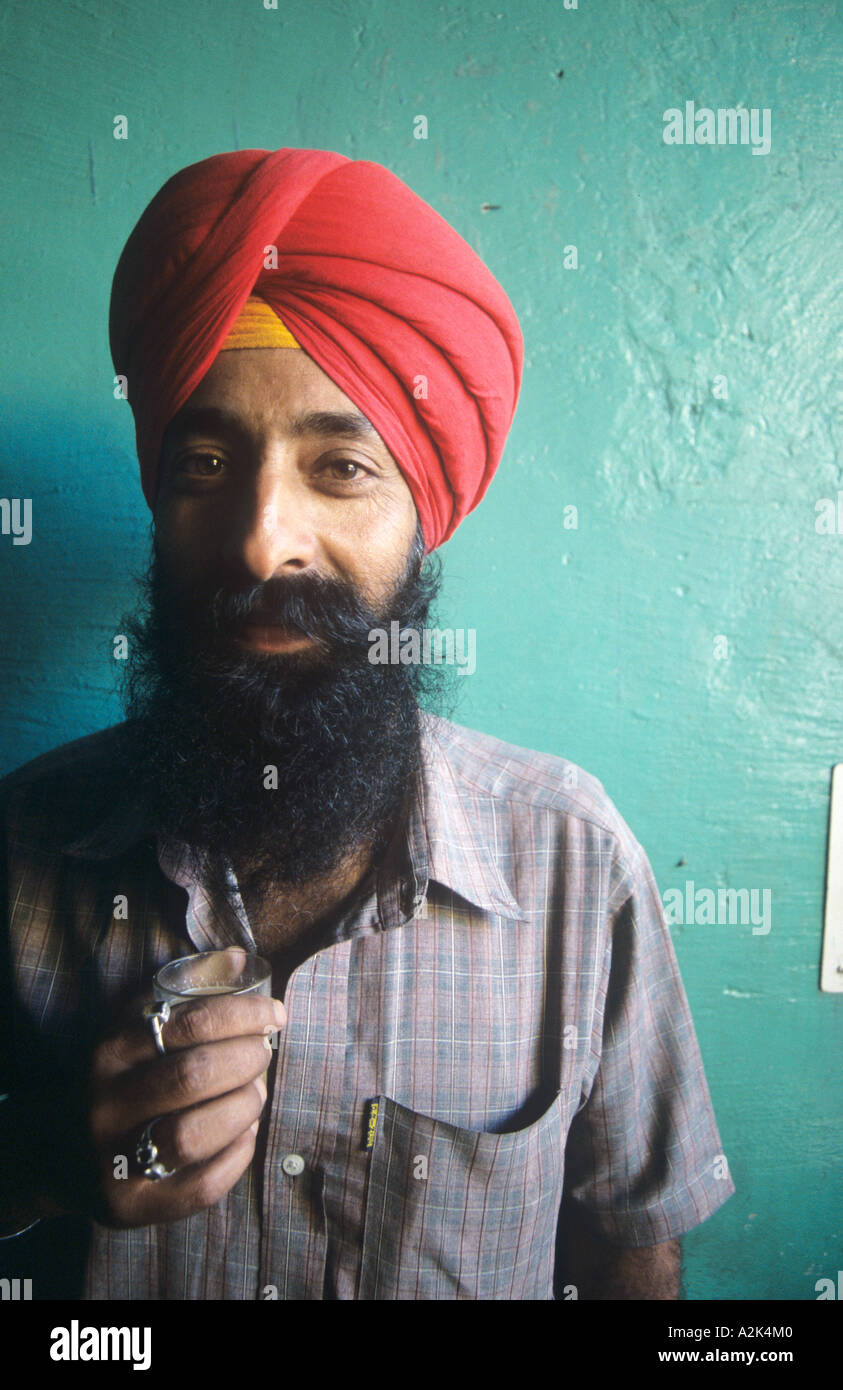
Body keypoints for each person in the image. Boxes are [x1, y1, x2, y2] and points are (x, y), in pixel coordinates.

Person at [0, 147, 734, 1300]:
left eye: (339, 466)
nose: (261, 541)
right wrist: (41, 1161)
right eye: (204, 461)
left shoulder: (577, 868)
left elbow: (632, 1257)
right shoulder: (23, 851)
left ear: (422, 515)